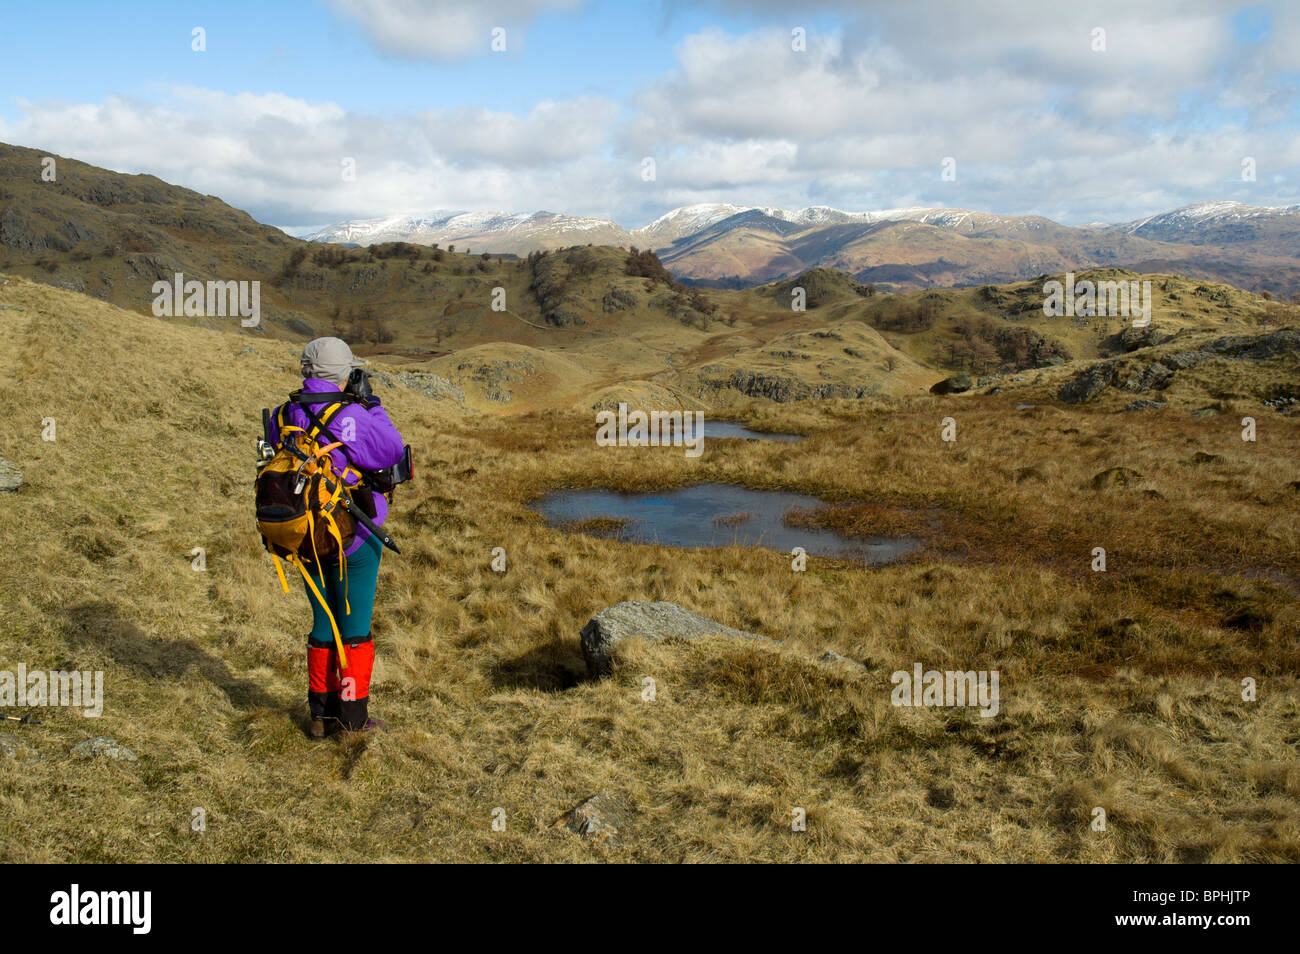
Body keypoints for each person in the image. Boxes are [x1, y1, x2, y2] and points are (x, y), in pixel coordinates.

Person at [268, 337, 406, 738]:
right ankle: (352, 719)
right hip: (354, 538)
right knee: (355, 627)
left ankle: (320, 715)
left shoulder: (283, 414)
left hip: (303, 534)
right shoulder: (351, 415)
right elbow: (391, 451)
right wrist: (372, 404)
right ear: (344, 373)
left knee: (323, 620)